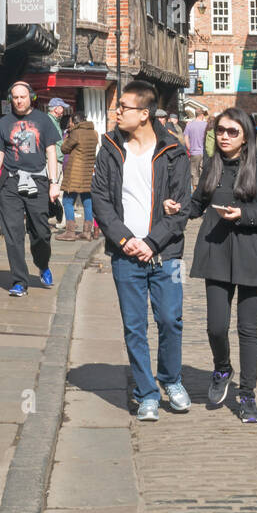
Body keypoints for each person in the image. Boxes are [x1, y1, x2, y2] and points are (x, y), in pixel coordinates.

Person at [164, 107, 257, 423]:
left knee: (248, 328)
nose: (225, 136)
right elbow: (198, 205)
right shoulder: (212, 165)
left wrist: (244, 216)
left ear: (245, 137)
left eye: (233, 132)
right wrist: (179, 207)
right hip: (216, 249)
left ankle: (247, 395)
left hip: (251, 252)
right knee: (216, 326)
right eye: (221, 131)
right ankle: (222, 367)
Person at [91, 80, 191, 421]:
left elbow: (183, 208)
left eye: (124, 107)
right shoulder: (109, 148)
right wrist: (125, 240)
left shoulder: (174, 151)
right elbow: (101, 200)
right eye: (118, 108)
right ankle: (147, 393)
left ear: (144, 114)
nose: (117, 112)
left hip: (168, 255)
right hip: (125, 256)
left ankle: (171, 380)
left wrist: (151, 242)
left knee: (170, 320)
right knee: (134, 326)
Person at [0, 83, 61, 297]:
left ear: (31, 97)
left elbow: (51, 152)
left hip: (37, 181)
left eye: (22, 97)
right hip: (10, 183)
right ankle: (19, 281)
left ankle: (42, 264)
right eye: (15, 97)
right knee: (13, 233)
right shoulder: (4, 123)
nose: (18, 101)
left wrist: (54, 182)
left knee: (41, 232)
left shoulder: (43, 120)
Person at [57, 109, 98, 241]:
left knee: (67, 201)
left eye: (70, 121)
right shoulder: (93, 133)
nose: (69, 124)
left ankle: (70, 232)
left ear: (74, 121)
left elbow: (64, 148)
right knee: (87, 200)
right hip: (88, 172)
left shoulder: (75, 133)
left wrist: (68, 134)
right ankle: (87, 231)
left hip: (75, 172)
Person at [47, 97, 69, 231]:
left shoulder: (54, 121)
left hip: (57, 160)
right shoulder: (50, 121)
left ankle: (62, 220)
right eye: (62, 107)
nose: (64, 110)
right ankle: (60, 219)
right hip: (53, 161)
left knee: (58, 192)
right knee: (54, 191)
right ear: (56, 108)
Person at [183, 109, 208, 189]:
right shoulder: (206, 125)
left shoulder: (189, 125)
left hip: (194, 152)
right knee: (203, 172)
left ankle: (195, 191)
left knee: (194, 173)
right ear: (201, 115)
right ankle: (203, 190)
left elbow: (186, 138)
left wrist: (190, 148)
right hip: (204, 152)